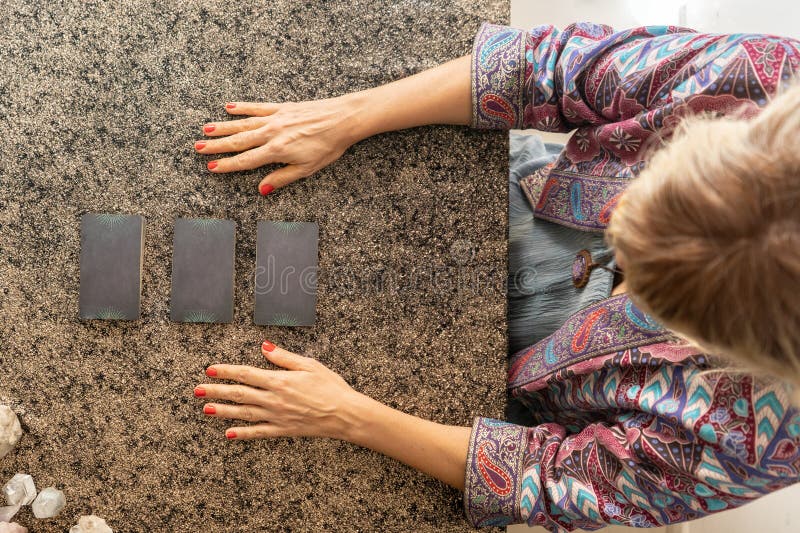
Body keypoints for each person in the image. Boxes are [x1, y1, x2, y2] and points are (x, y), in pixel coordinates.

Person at [192, 21, 800, 529]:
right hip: (495, 195)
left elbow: (556, 482)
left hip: (484, 372)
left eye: (648, 283)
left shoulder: (766, 437)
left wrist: (346, 416)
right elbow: (545, 67)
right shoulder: (770, 78)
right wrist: (349, 115)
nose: (615, 240)